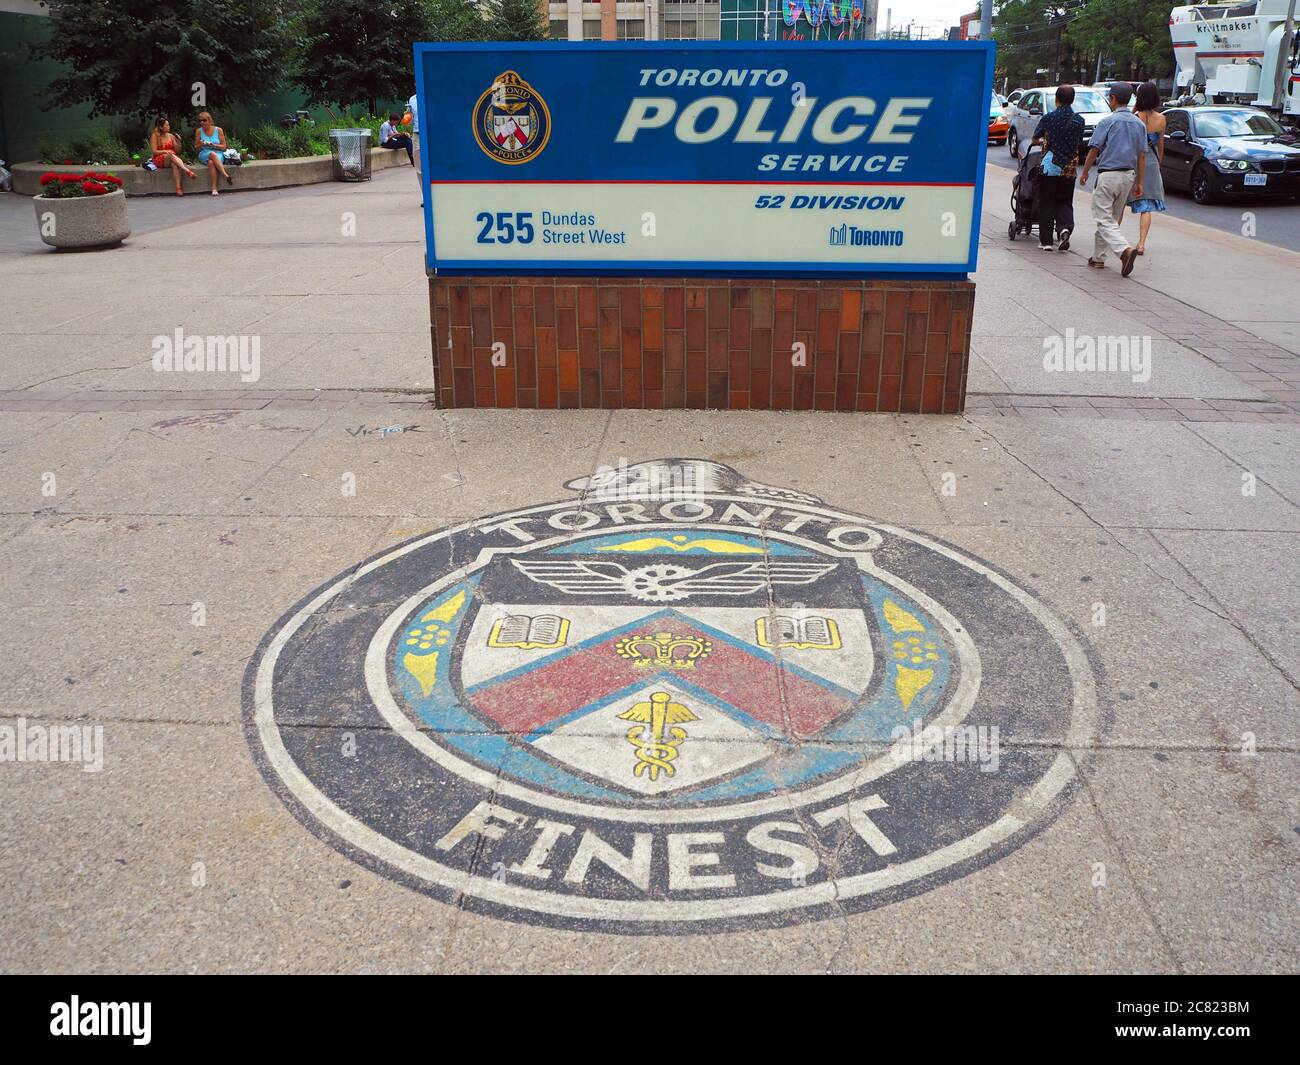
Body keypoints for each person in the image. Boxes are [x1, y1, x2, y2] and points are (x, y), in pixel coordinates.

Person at [1078, 84, 1146, 277]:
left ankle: (1124, 250)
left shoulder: (1108, 121)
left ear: (1114, 98)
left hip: (1108, 174)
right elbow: (1142, 155)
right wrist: (1140, 181)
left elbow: (1094, 149)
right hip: (1128, 176)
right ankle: (1098, 258)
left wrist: (1084, 172)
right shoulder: (1138, 123)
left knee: (1102, 217)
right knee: (1112, 219)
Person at [1030, 85, 1085, 252]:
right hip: (1069, 168)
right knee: (1065, 202)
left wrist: (1042, 142)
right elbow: (1078, 141)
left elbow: (1035, 139)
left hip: (1049, 169)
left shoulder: (1048, 118)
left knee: (1046, 202)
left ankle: (1046, 242)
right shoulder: (1079, 121)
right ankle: (1064, 229)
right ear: (1073, 100)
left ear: (1057, 99)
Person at [1127, 82, 1167, 256]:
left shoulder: (1136, 117)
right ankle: (1142, 243)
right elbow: (1161, 145)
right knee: (1147, 206)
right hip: (1152, 162)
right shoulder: (1162, 119)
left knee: (1121, 202)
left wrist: (1135, 108)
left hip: (1135, 161)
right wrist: (1158, 163)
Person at [149, 117, 196, 196]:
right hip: (159, 159)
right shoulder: (155, 136)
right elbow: (154, 151)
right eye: (167, 125)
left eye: (169, 125)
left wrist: (179, 142)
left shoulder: (171, 136)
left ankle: (178, 188)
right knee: (171, 155)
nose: (169, 127)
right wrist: (165, 151)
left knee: (175, 165)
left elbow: (177, 151)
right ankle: (187, 170)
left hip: (172, 158)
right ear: (161, 127)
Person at [194, 112, 233, 196]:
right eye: (200, 121)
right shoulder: (199, 131)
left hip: (218, 153)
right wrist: (201, 144)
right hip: (204, 153)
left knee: (211, 163)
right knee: (211, 154)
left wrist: (213, 145)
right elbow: (196, 147)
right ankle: (225, 175)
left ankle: (214, 188)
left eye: (204, 120)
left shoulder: (218, 130)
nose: (202, 122)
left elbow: (224, 147)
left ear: (209, 121)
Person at [408, 90, 422, 206]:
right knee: (419, 167)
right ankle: (425, 196)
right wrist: (408, 118)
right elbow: (410, 119)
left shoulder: (431, 95)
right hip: (417, 134)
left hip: (431, 134)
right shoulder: (412, 99)